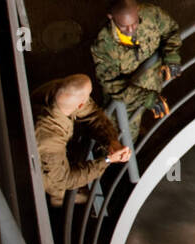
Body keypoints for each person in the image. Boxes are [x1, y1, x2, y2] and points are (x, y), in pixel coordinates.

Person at [90, 0, 182, 140]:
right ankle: (120, 159)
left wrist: (171, 55)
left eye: (134, 23)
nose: (131, 30)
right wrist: (145, 98)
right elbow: (111, 83)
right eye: (124, 26)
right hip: (127, 100)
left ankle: (137, 131)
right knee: (121, 135)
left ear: (138, 11)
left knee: (138, 120)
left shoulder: (152, 15)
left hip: (153, 82)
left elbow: (171, 30)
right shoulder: (103, 45)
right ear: (111, 17)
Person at [31, 74, 130, 207]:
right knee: (56, 184)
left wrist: (111, 140)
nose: (89, 99)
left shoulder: (63, 92)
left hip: (50, 146)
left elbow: (93, 114)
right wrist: (107, 160)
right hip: (40, 165)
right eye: (88, 95)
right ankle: (58, 198)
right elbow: (63, 179)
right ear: (81, 103)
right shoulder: (49, 139)